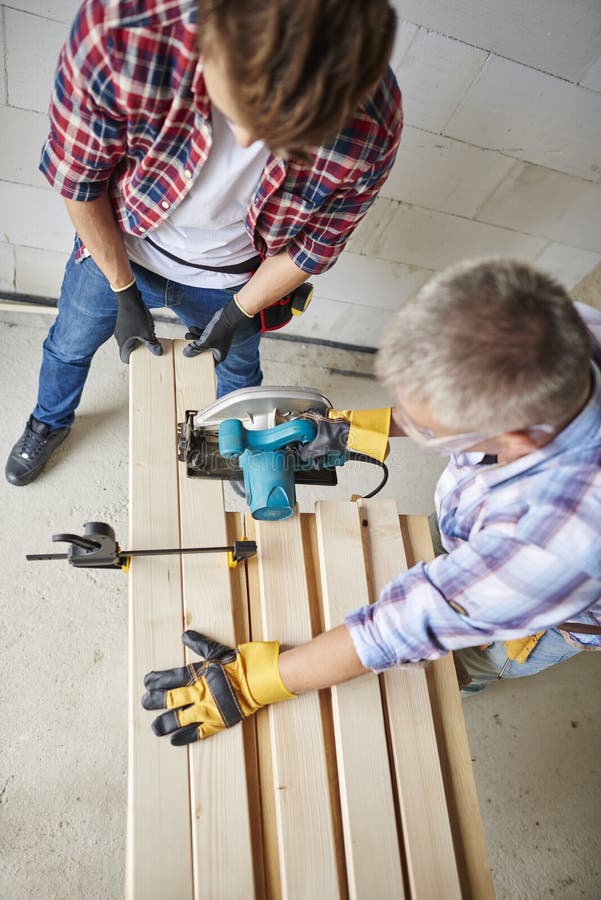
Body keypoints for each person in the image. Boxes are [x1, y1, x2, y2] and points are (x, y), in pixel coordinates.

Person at [141, 258, 601, 744]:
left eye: (429, 430)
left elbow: (409, 624)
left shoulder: (559, 540)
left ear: (519, 437)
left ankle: (467, 684)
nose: (411, 426)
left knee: (444, 673)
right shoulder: (556, 329)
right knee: (434, 546)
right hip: (488, 518)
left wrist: (253, 684)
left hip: (550, 615)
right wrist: (354, 430)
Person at [5, 0, 402, 487]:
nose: (251, 139)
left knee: (240, 376)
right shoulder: (121, 33)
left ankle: (235, 447)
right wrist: (122, 288)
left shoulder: (372, 121)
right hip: (123, 246)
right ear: (212, 41)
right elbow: (80, 183)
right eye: (243, 110)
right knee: (68, 346)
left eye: (286, 133)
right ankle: (49, 421)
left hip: (236, 277)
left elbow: (312, 249)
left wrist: (239, 311)